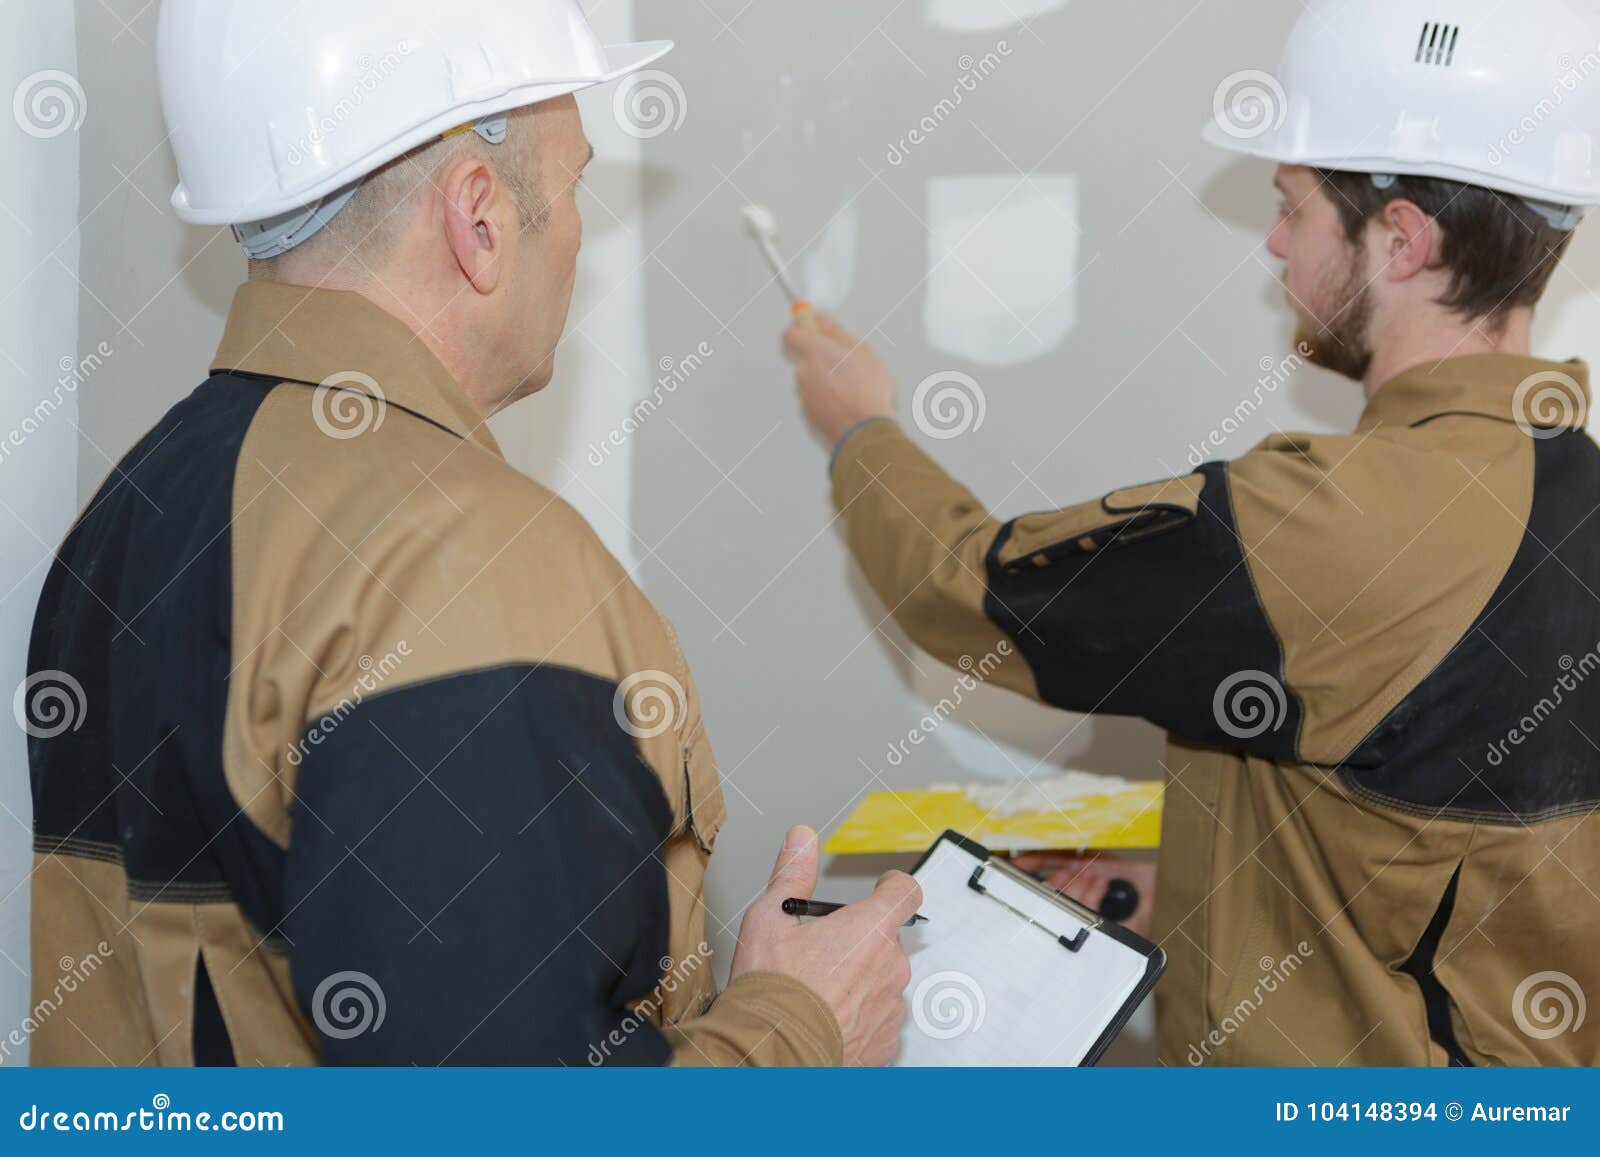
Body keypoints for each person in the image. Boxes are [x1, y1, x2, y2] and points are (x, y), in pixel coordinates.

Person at [23, 0, 918, 1067]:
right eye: (576, 184)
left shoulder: (131, 509)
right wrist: (798, 1024)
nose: (580, 231)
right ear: (479, 219)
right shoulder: (463, 559)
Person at [784, 0, 1600, 1066]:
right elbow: (1454, 848)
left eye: (1291, 205)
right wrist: (1203, 888)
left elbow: (966, 587)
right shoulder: (1563, 492)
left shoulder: (1323, 526)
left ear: (1399, 239)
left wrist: (863, 428)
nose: (1272, 239)